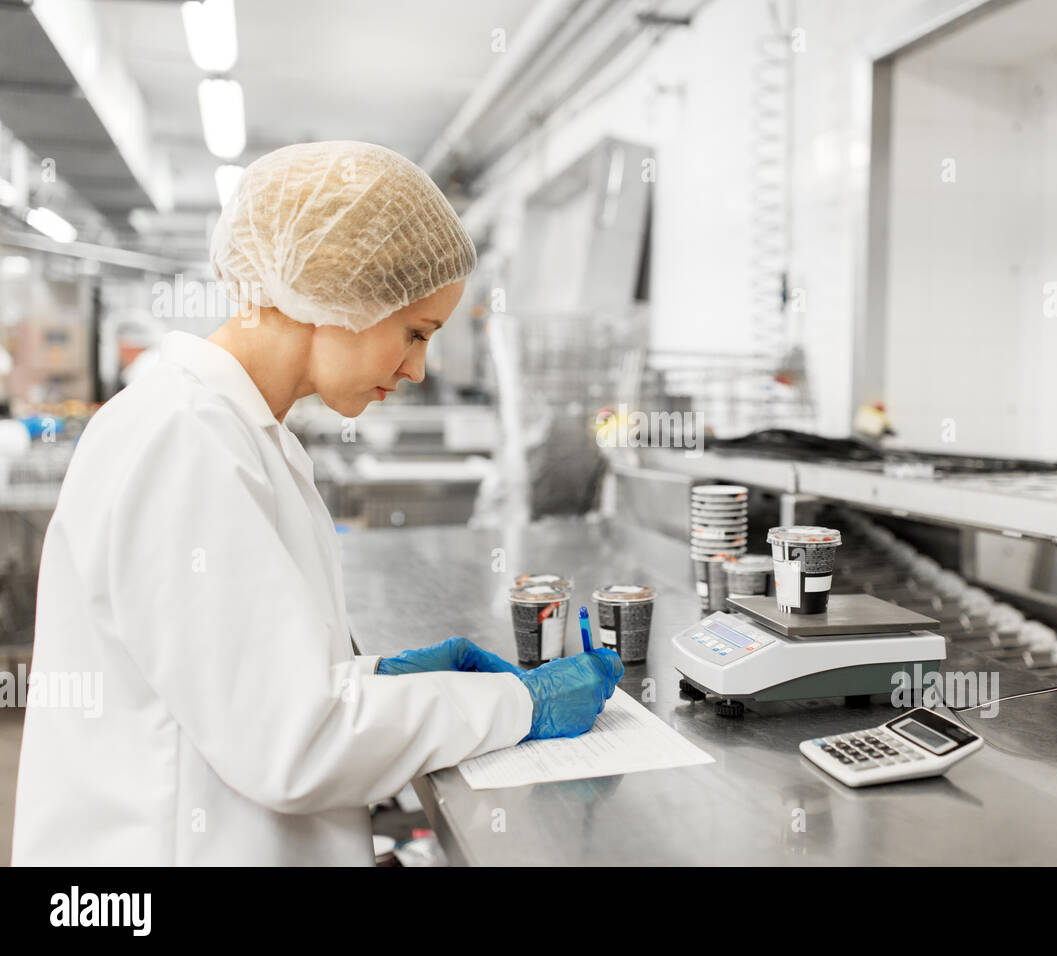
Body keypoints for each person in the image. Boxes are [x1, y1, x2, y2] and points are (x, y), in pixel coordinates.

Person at [11, 141, 622, 866]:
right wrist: (521, 706)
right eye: (415, 332)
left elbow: (247, 682)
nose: (417, 367)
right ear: (341, 291)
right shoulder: (186, 438)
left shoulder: (243, 433)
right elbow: (293, 742)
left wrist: (376, 679)